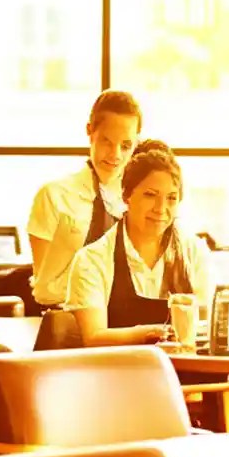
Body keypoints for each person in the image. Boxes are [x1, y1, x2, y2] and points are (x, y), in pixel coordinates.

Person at [65, 140, 214, 346]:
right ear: (126, 195)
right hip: (119, 372)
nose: (161, 208)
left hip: (187, 374)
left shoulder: (194, 252)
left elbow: (208, 328)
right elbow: (94, 337)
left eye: (171, 198)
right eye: (150, 195)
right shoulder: (92, 260)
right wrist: (154, 333)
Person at [26, 90, 142, 310]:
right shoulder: (53, 195)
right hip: (65, 320)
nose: (115, 154)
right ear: (90, 131)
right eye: (107, 141)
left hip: (128, 322)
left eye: (126, 146)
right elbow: (44, 288)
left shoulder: (139, 201)